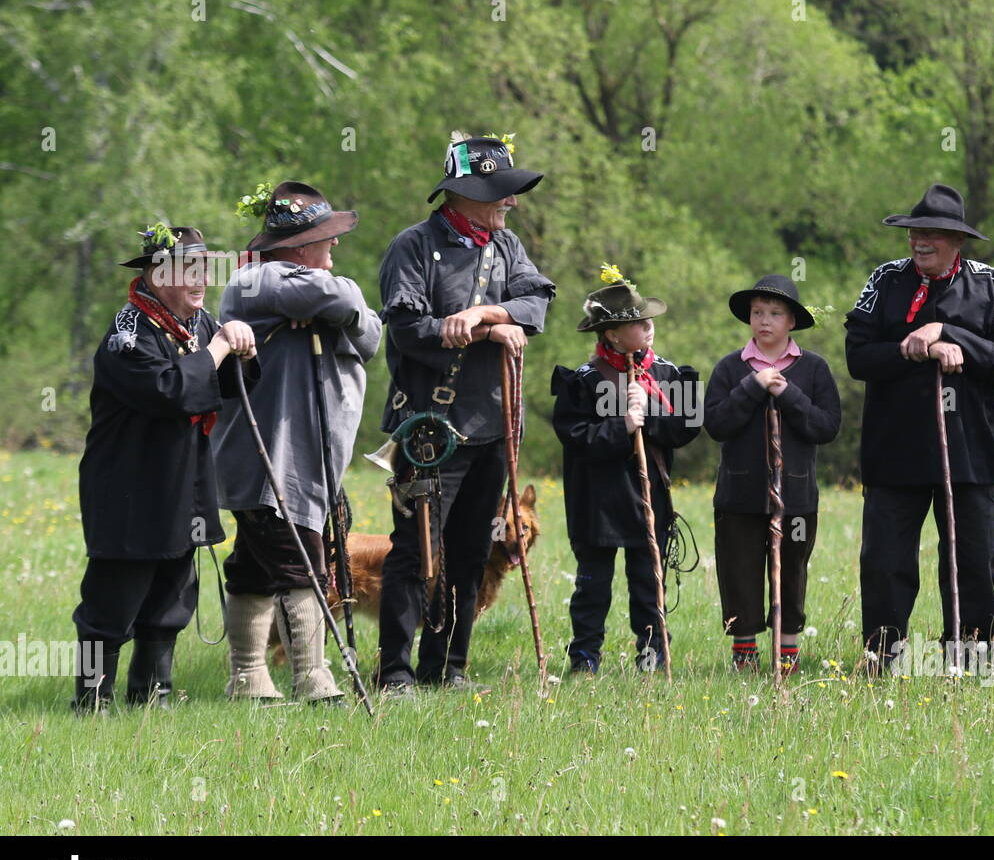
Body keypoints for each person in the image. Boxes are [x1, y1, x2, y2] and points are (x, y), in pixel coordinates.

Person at [375, 133, 554, 693]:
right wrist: (485, 330)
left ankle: (447, 668)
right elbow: (405, 329)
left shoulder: (507, 248)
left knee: (472, 550)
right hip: (430, 430)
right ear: (462, 193)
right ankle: (397, 672)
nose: (512, 202)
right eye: (500, 193)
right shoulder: (412, 246)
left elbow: (537, 301)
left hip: (494, 426)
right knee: (414, 552)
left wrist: (486, 312)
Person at [844, 183, 994, 673]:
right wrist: (916, 346)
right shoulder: (883, 280)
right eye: (914, 232)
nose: (920, 241)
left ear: (958, 240)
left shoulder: (990, 283)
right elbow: (857, 357)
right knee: (884, 563)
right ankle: (883, 659)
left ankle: (972, 660)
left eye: (933, 234)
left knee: (972, 561)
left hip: (969, 451)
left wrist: (950, 334)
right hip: (894, 450)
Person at [73, 224, 257, 711]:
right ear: (156, 275)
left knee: (173, 592)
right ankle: (92, 702)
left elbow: (230, 385)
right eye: (186, 270)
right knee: (112, 600)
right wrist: (219, 349)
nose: (199, 281)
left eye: (203, 269)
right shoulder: (128, 331)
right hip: (128, 486)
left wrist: (243, 348)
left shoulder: (196, 324)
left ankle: (153, 694)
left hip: (184, 483)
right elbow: (169, 391)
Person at [212, 181, 381, 704]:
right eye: (325, 238)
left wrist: (338, 309)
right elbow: (345, 298)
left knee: (256, 565)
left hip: (307, 460)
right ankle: (312, 679)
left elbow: (372, 334)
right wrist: (337, 303)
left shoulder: (297, 281)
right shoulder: (253, 281)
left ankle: (249, 680)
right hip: (271, 459)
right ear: (298, 246)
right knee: (299, 562)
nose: (334, 247)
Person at [552, 266, 701, 673]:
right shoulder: (582, 380)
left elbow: (686, 427)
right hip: (597, 499)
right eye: (637, 322)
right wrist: (622, 426)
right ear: (612, 334)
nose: (649, 326)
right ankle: (584, 658)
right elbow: (575, 436)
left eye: (648, 318)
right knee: (592, 586)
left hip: (648, 496)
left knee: (649, 583)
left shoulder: (668, 374)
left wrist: (648, 415)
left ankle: (652, 655)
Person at [703, 275, 840, 674]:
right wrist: (753, 386)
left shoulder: (813, 369)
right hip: (739, 497)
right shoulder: (731, 368)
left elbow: (827, 426)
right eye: (757, 313)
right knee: (739, 570)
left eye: (775, 313)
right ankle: (744, 655)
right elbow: (715, 423)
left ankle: (788, 654)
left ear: (792, 321)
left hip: (796, 499)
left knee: (792, 570)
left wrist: (787, 393)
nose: (764, 321)